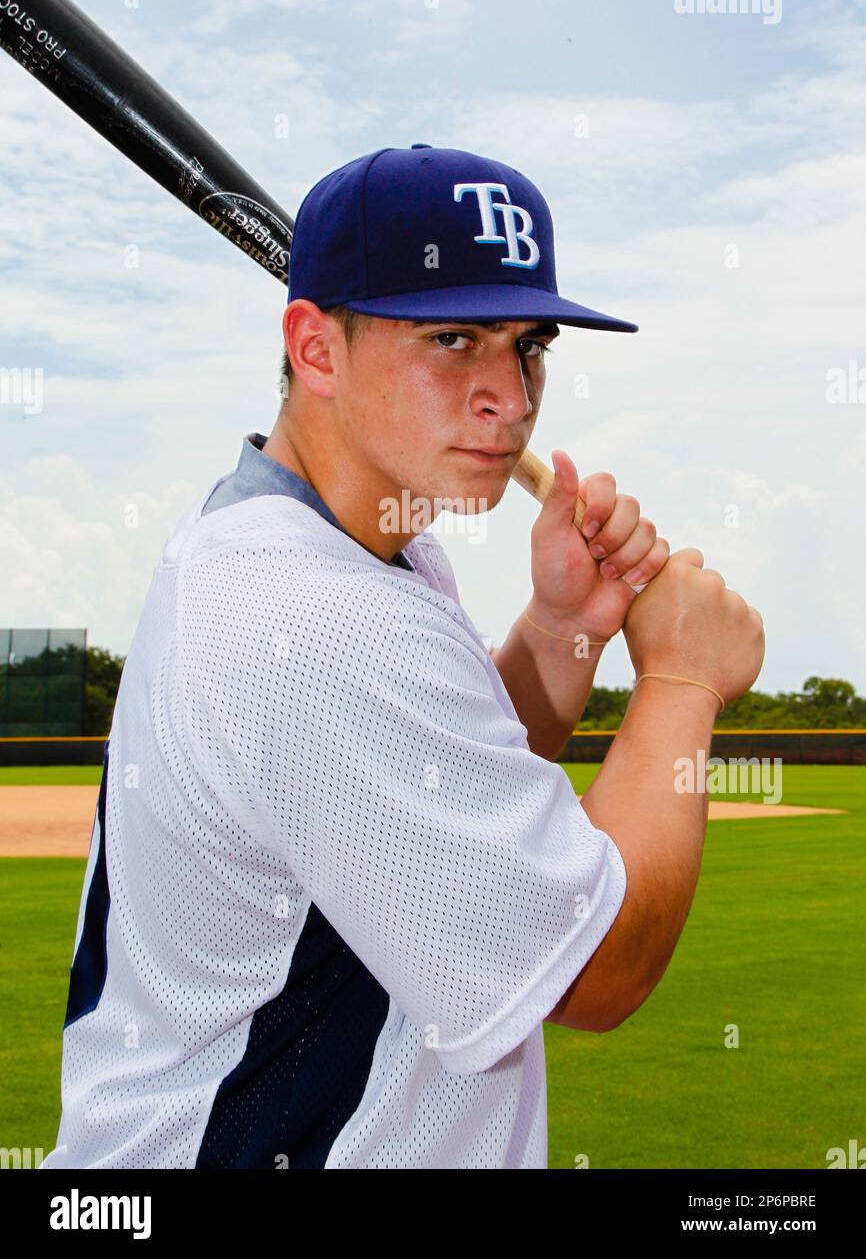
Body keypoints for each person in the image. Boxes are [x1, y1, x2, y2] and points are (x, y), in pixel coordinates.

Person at [42, 144, 764, 1170]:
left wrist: (565, 626)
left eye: (528, 345)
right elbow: (597, 970)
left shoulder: (350, 543)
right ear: (316, 348)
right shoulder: (318, 616)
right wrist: (680, 680)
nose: (508, 398)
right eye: (453, 338)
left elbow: (446, 780)